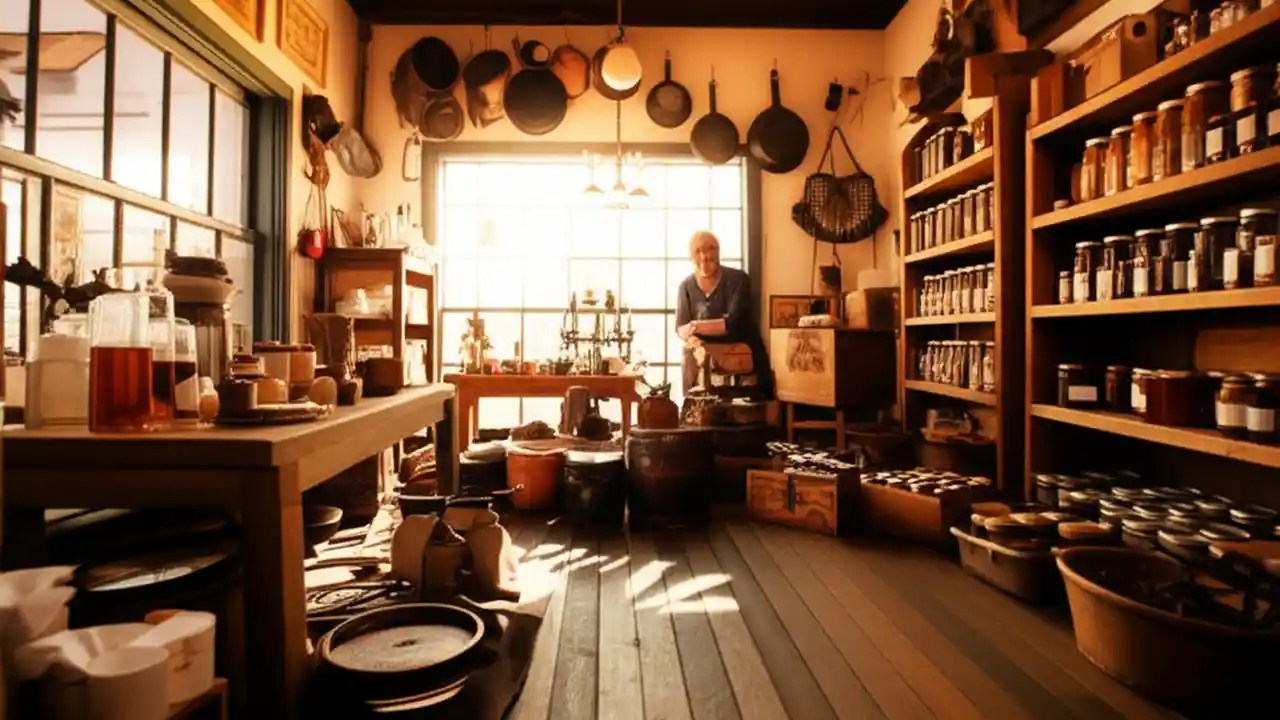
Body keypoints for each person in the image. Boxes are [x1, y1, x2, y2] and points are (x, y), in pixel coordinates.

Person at [674, 230, 771, 395]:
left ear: (718, 252)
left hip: (743, 358)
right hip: (704, 357)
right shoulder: (686, 287)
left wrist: (695, 326)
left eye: (710, 249)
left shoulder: (739, 280)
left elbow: (732, 324)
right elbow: (681, 327)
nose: (704, 256)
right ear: (691, 256)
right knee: (690, 358)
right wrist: (693, 337)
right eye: (698, 251)